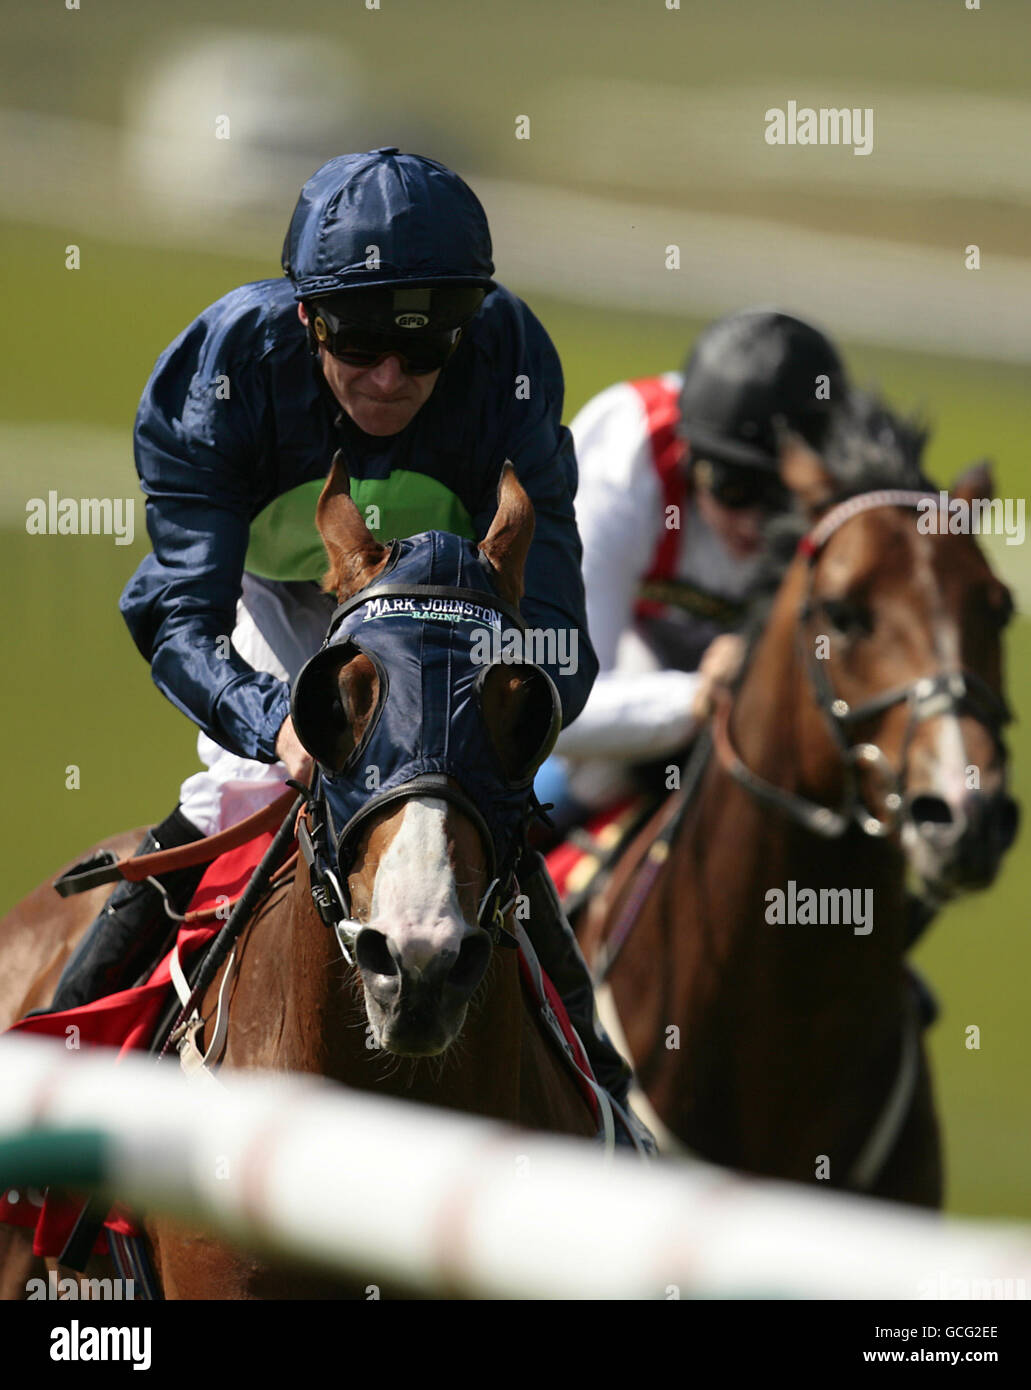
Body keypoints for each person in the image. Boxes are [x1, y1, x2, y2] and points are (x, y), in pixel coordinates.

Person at [47, 148, 644, 1141]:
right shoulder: (224, 368)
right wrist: (267, 716)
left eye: (425, 350)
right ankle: (48, 1107)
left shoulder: (509, 362)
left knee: (490, 841)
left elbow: (557, 639)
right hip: (277, 597)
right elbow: (175, 615)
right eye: (358, 341)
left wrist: (486, 737)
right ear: (305, 314)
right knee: (222, 800)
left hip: (447, 623)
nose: (388, 376)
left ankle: (613, 1115)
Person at [534, 308, 849, 832]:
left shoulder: (844, 497)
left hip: (774, 688)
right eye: (733, 487)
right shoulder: (625, 457)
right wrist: (698, 698)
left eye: (780, 498)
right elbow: (557, 707)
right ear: (687, 454)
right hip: (646, 658)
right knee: (595, 769)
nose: (752, 522)